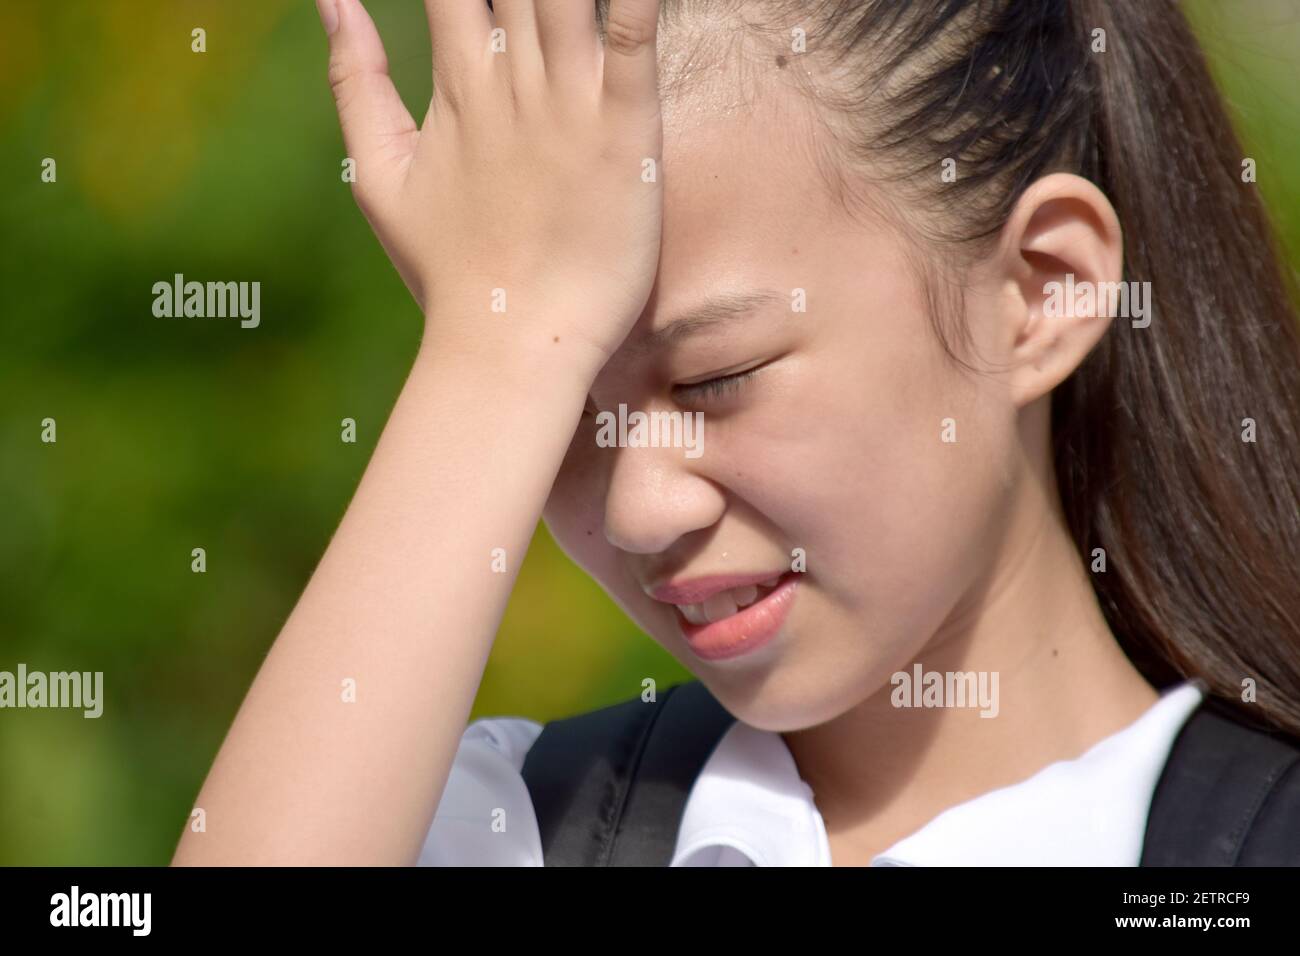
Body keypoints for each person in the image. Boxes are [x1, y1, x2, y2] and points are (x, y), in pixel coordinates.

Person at [173, 0, 1300, 866]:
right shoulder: (518, 822)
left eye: (717, 378)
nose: (637, 505)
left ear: (1040, 289)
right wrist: (490, 351)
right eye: (559, 410)